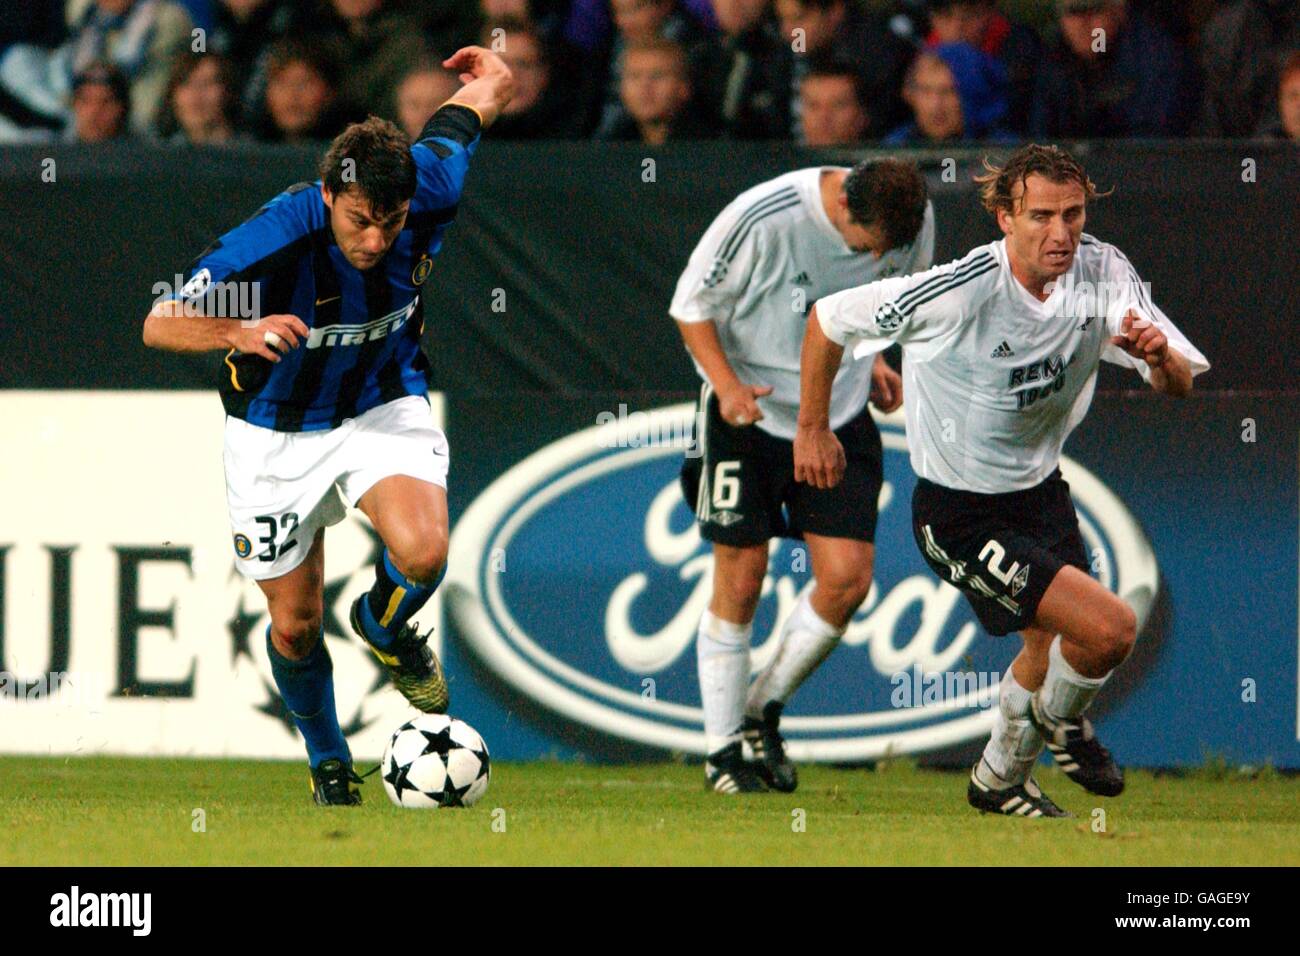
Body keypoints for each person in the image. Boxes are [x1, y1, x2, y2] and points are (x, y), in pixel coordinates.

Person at [141, 46, 514, 806]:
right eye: (358, 221)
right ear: (327, 194)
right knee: (295, 625)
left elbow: (483, 100)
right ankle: (329, 764)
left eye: (392, 223)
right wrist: (235, 333)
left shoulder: (430, 180)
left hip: (383, 403)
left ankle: (382, 626)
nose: (376, 240)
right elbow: (160, 322)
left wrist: (492, 66)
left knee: (425, 549)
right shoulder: (278, 232)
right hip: (274, 433)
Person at [795, 144, 1209, 816]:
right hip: (957, 514)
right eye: (1041, 216)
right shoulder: (958, 291)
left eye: (1073, 215)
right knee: (1109, 631)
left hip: (1040, 494)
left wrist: (1158, 359)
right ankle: (1054, 729)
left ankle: (1000, 779)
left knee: (1053, 652)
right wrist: (813, 428)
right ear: (1003, 218)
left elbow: (1179, 384)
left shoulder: (1102, 272)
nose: (1061, 233)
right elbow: (827, 320)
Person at [669, 160, 935, 793]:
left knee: (846, 580)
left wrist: (872, 359)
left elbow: (886, 302)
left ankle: (761, 709)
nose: (879, 261)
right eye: (867, 249)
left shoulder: (912, 222)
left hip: (838, 412)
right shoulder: (761, 217)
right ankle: (722, 753)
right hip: (749, 410)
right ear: (843, 208)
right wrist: (728, 387)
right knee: (741, 576)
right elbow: (690, 306)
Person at [885, 44, 1015, 145]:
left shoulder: (1005, 156)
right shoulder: (893, 152)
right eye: (926, 91)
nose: (936, 105)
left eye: (948, 92)